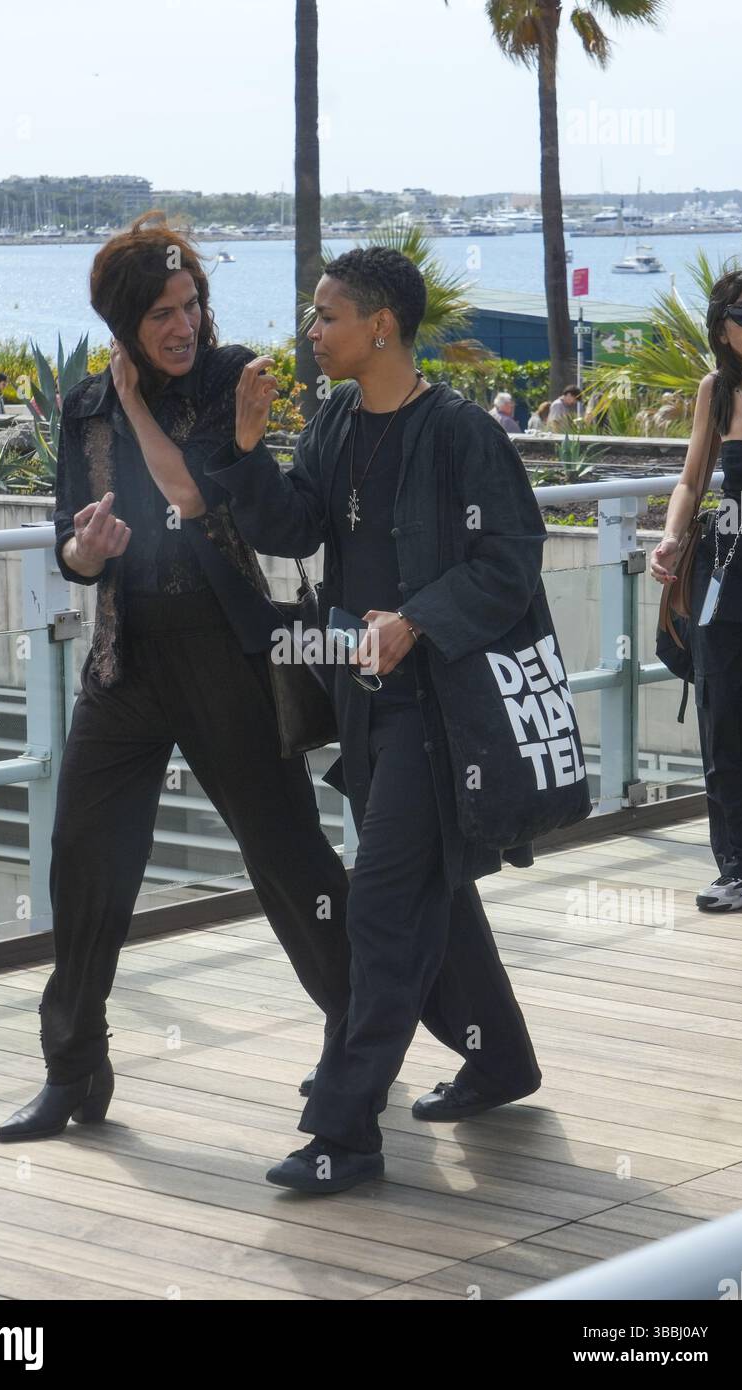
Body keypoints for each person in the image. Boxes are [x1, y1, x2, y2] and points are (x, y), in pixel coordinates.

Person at [0, 212, 352, 1143]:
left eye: (190, 304)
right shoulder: (80, 407)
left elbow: (196, 500)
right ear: (124, 321)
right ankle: (73, 1073)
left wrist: (138, 404)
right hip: (124, 655)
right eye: (161, 312)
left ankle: (360, 1043)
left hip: (225, 652)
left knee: (288, 858)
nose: (183, 325)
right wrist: (83, 548)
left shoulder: (230, 380)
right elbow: (69, 543)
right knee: (82, 860)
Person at [203, 247, 545, 1193]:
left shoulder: (462, 433)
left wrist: (417, 620)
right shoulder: (339, 419)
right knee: (430, 885)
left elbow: (513, 558)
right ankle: (501, 1058)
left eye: (327, 316)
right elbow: (293, 530)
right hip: (363, 704)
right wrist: (246, 447)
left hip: (441, 714)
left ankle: (344, 1133)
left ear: (381, 323)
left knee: (386, 909)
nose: (312, 332)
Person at [651, 269, 742, 913]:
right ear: (721, 327)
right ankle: (739, 868)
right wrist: (668, 536)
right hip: (729, 574)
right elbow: (692, 482)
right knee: (725, 726)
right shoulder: (717, 392)